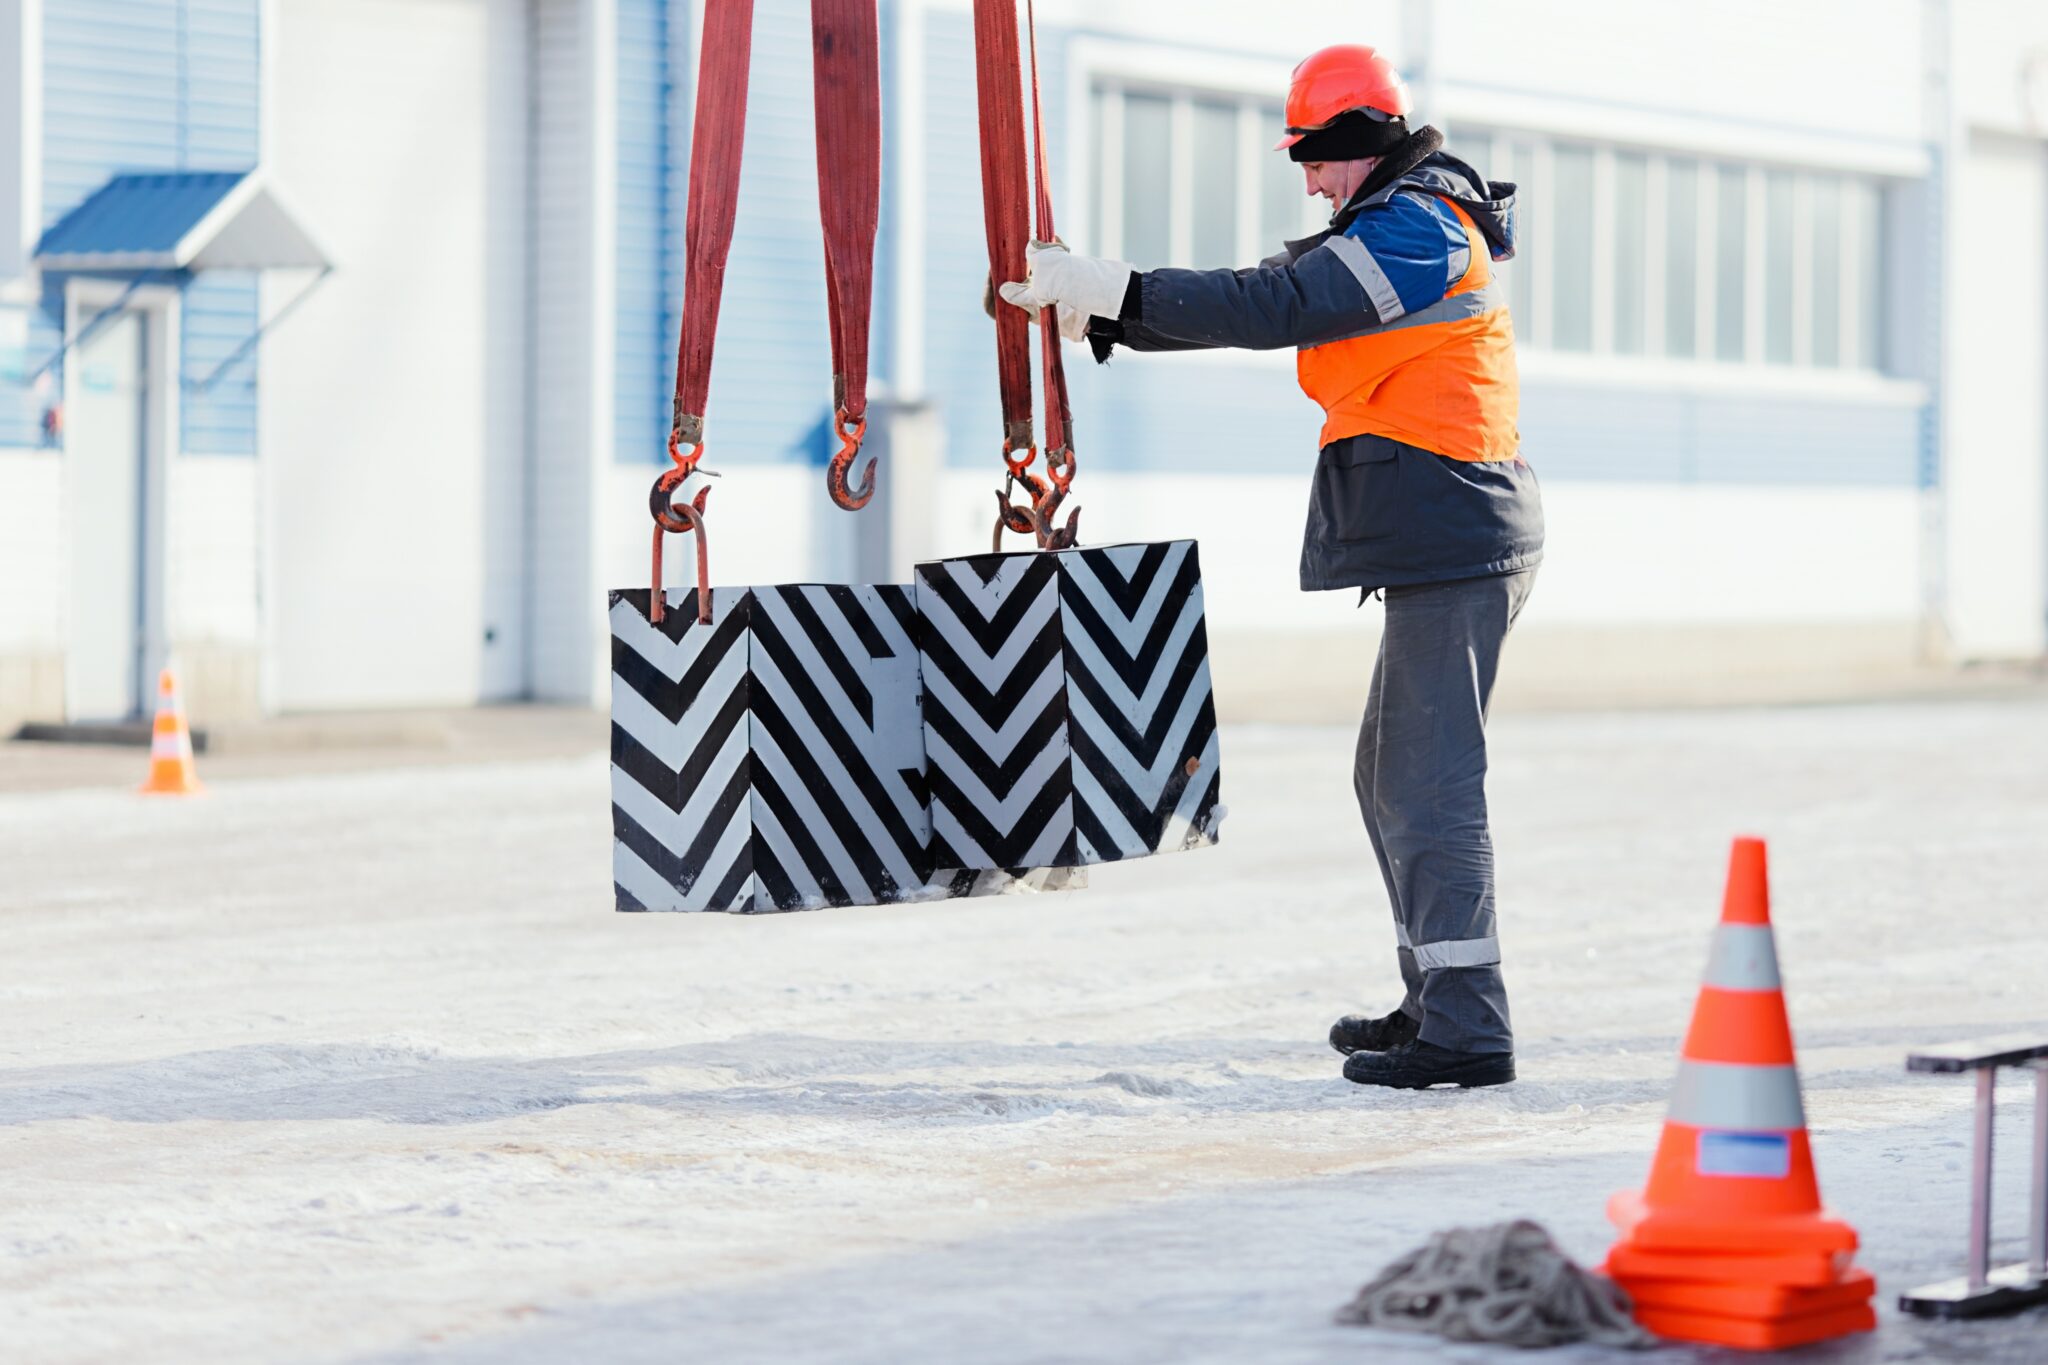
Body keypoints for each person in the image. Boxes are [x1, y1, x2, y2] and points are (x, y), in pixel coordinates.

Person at [999, 44, 1543, 1090]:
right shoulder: (1396, 223)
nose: (1305, 178)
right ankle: (1435, 998)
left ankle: (1467, 1031)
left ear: (1355, 142)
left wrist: (1116, 287)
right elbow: (1277, 295)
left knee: (1428, 786)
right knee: (1388, 775)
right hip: (1443, 534)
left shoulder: (1420, 228)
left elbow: (1277, 307)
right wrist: (1106, 308)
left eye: (1313, 156)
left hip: (1460, 534)